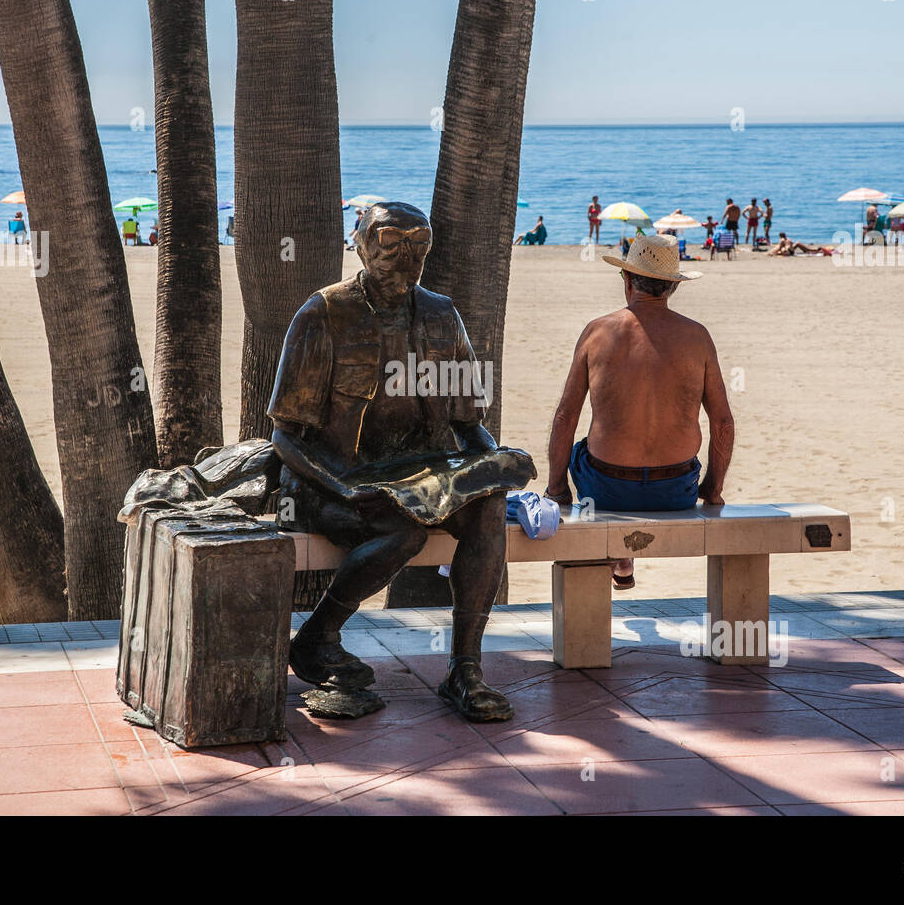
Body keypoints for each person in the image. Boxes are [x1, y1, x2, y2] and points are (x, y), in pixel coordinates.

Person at [268, 201, 534, 722]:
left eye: (418, 248)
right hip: (331, 481)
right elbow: (285, 437)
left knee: (487, 505)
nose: (406, 260)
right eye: (392, 246)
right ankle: (316, 638)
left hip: (421, 476)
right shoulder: (322, 314)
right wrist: (342, 487)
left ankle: (465, 669)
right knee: (404, 531)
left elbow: (465, 421)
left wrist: (492, 466)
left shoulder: (441, 314)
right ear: (362, 246)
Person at [546, 234, 729, 591]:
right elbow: (722, 423)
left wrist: (557, 490)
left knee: (582, 451)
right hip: (675, 490)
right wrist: (713, 489)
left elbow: (564, 418)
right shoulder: (698, 336)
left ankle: (616, 557)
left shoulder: (597, 332)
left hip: (606, 488)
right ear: (672, 288)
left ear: (627, 280)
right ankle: (623, 558)